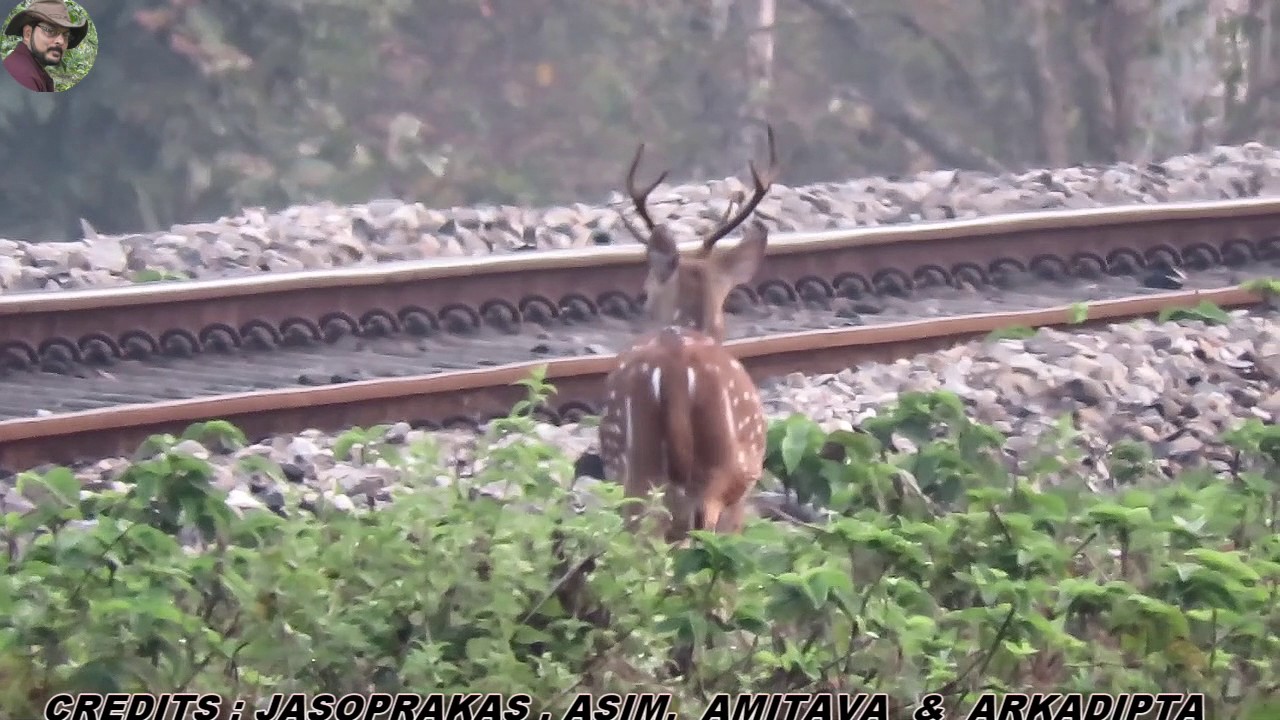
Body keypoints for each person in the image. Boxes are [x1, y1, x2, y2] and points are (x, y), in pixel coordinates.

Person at [2, 0, 88, 92]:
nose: (61, 41)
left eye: (66, 35)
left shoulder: (31, 71)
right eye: (50, 30)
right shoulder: (22, 74)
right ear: (28, 34)